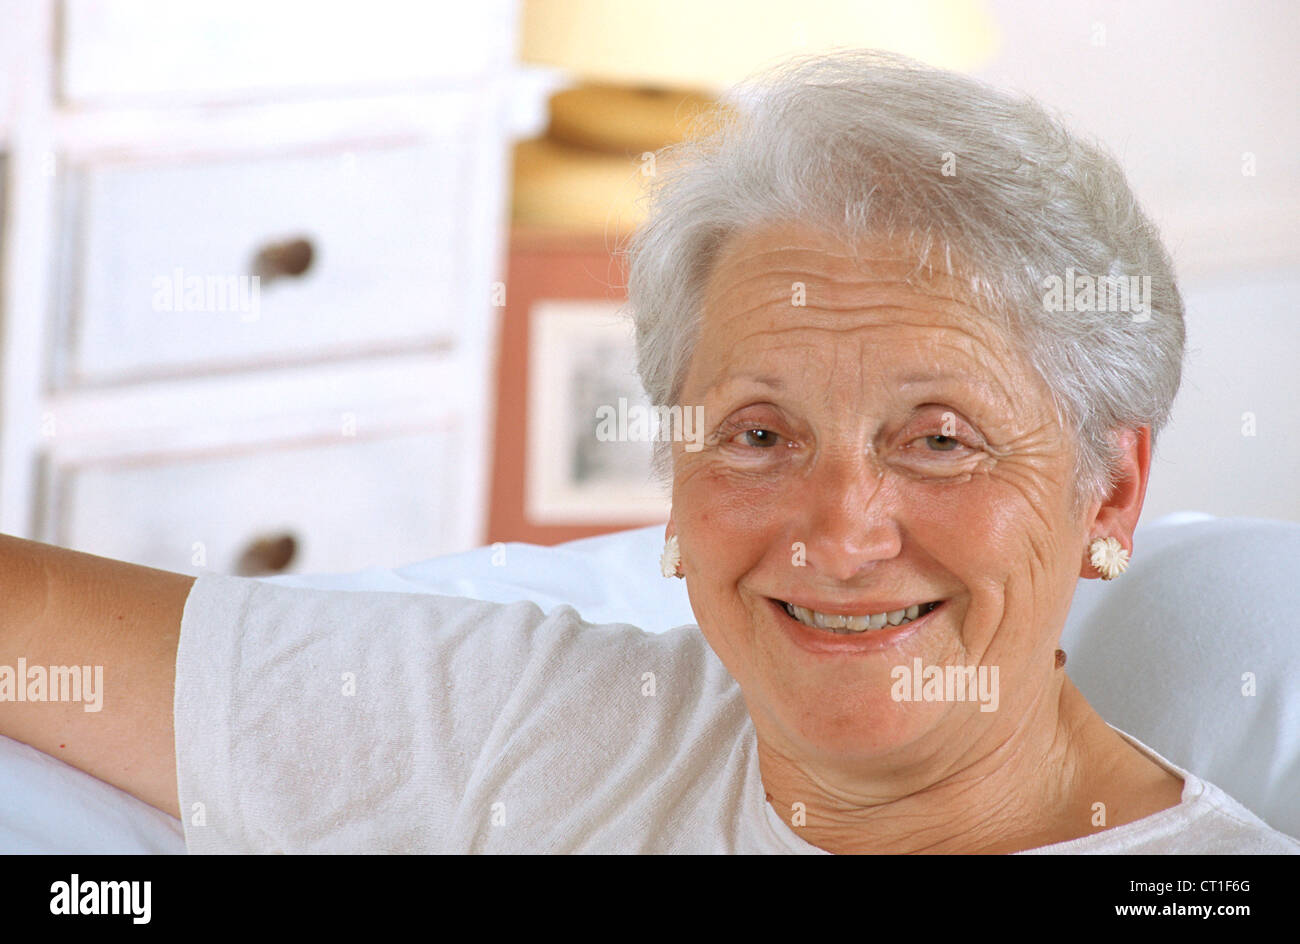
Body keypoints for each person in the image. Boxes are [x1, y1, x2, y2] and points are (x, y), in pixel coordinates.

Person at [1, 50, 1295, 853]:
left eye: (940, 442)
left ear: (1109, 492)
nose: (839, 531)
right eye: (759, 435)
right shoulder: (549, 723)